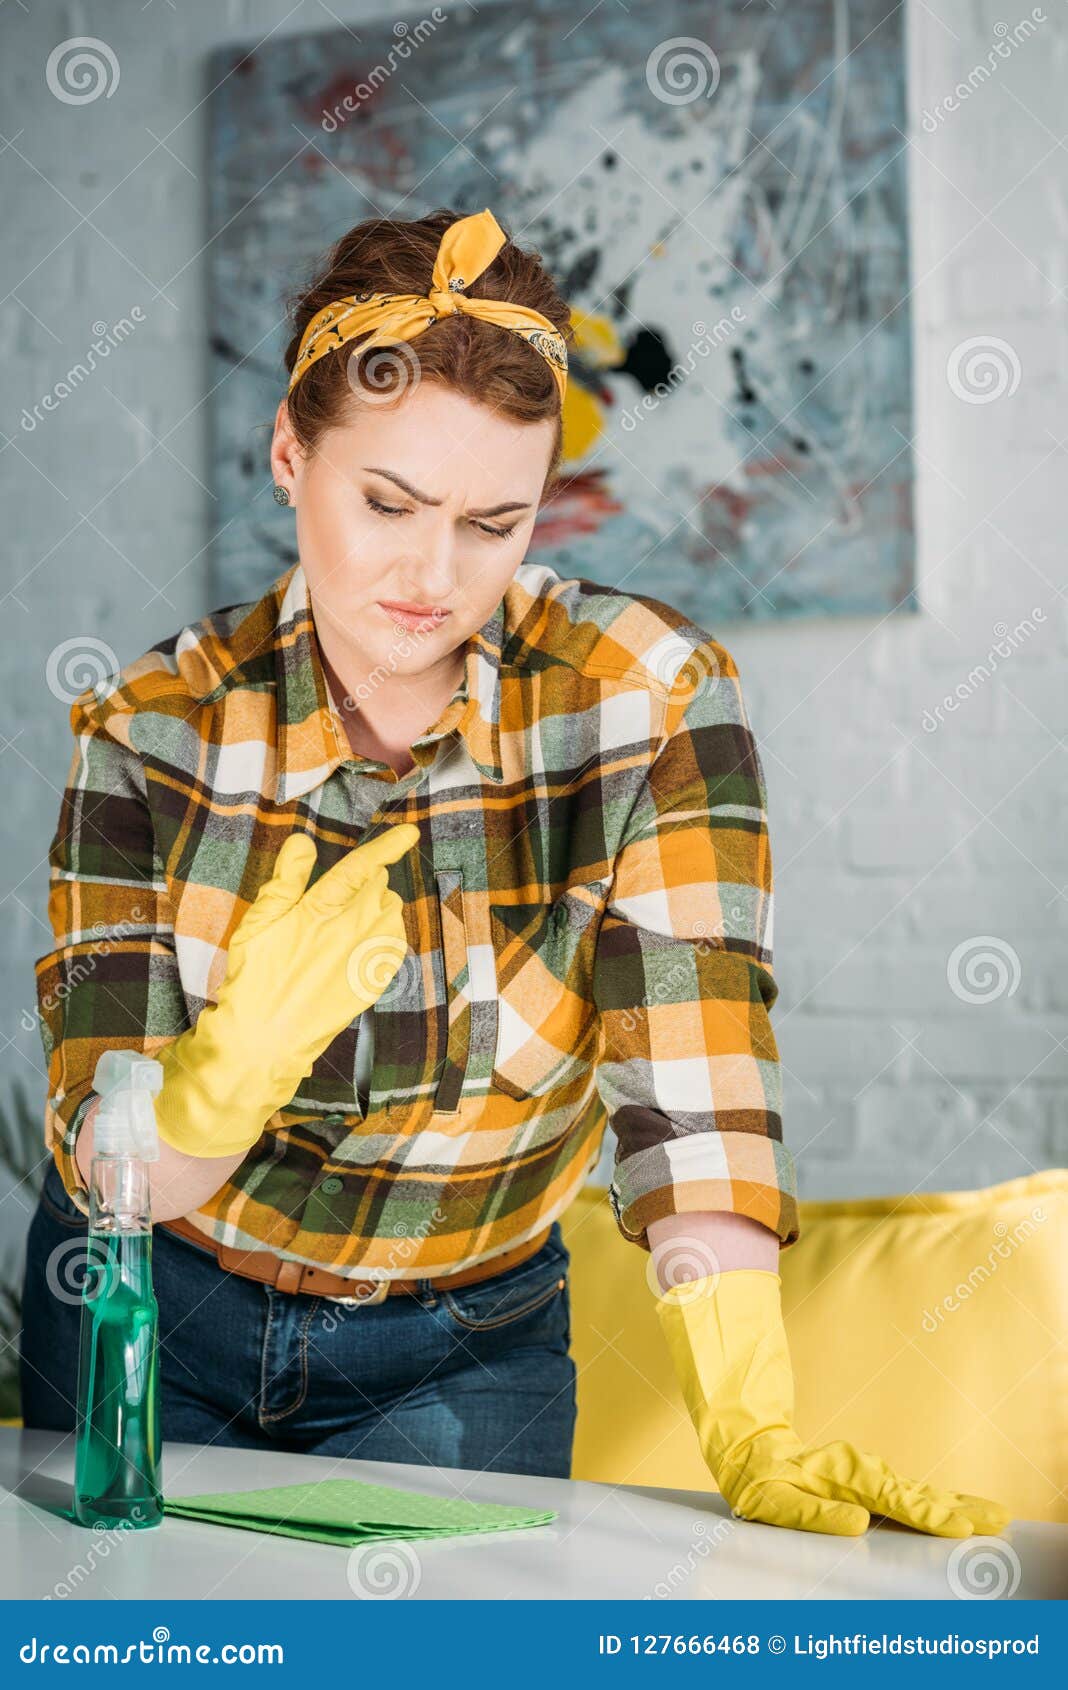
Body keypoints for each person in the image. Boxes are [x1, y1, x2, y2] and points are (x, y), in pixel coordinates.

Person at [21, 207, 1009, 1538]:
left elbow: (692, 1073)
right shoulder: (151, 729)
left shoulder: (642, 700)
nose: (434, 574)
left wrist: (751, 1416)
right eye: (387, 505)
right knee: (133, 1637)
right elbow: (107, 1172)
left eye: (495, 522)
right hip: (150, 1305)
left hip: (463, 1345)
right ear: (290, 453)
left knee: (443, 1644)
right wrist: (229, 1066)